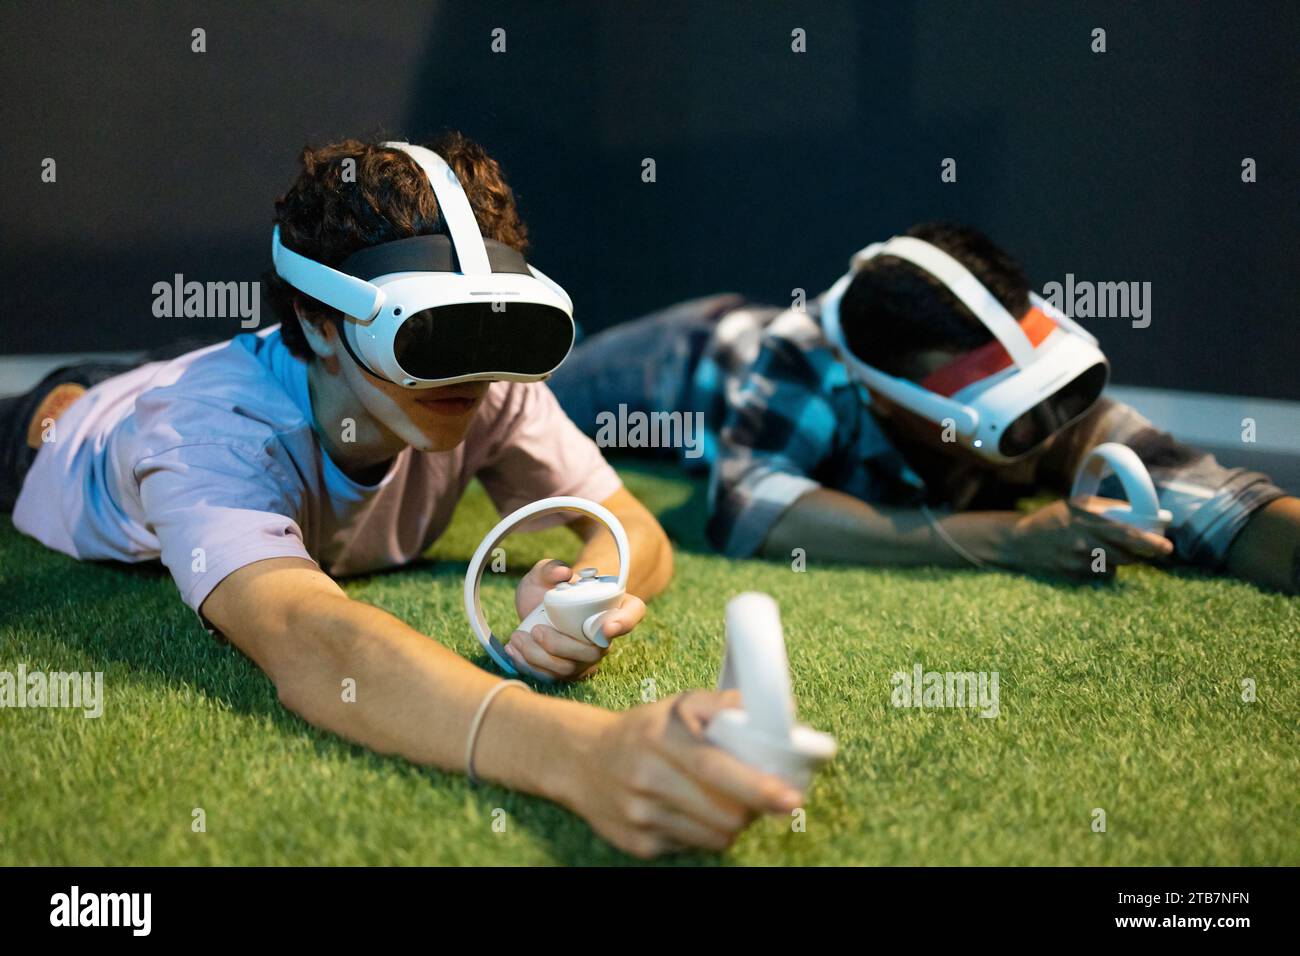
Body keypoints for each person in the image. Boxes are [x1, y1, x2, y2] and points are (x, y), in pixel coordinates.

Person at [2, 134, 803, 857]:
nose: (472, 374)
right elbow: (314, 643)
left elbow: (630, 525)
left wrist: (592, 591)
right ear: (319, 321)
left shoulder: (487, 383)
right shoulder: (207, 432)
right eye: (430, 334)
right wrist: (585, 755)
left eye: (493, 329)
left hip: (269, 377)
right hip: (66, 431)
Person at [549, 222, 1299, 593]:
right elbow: (753, 510)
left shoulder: (1045, 386)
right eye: (1006, 415)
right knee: (536, 386)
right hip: (676, 357)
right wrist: (1006, 538)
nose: (1048, 432)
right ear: (882, 395)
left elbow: (1227, 506)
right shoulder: (805, 362)